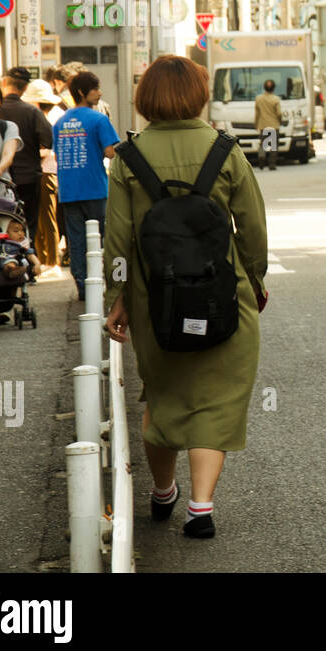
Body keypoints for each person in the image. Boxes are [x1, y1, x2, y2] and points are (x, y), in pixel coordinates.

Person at [103, 55, 268, 541]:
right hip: (224, 295)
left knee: (164, 393)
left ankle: (161, 492)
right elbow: (253, 228)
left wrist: (119, 297)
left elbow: (118, 240)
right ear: (198, 95)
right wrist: (254, 280)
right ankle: (201, 506)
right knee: (217, 397)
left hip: (155, 300)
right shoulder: (224, 149)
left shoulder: (127, 158)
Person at [53, 71, 120, 300]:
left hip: (69, 191)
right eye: (95, 89)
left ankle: (82, 286)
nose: (99, 93)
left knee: (77, 241)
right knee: (104, 238)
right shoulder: (98, 119)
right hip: (95, 188)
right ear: (83, 92)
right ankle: (108, 283)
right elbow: (110, 152)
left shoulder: (60, 122)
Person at [0, 67, 53, 244]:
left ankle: (4, 260)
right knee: (28, 225)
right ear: (25, 88)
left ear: (5, 83)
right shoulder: (32, 112)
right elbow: (48, 140)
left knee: (0, 223)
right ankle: (27, 261)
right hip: (28, 177)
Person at [25, 79, 65, 271]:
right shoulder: (53, 115)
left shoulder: (48, 118)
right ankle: (44, 259)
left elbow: (48, 149)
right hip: (46, 171)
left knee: (47, 219)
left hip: (47, 172)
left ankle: (51, 260)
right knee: (42, 218)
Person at [254, 78, 282, 171]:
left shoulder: (259, 99)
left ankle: (261, 157)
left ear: (264, 88)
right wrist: (280, 121)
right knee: (273, 145)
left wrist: (256, 124)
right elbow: (279, 113)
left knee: (263, 144)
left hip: (263, 125)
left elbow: (257, 113)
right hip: (274, 125)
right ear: (274, 88)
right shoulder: (276, 99)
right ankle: (272, 164)